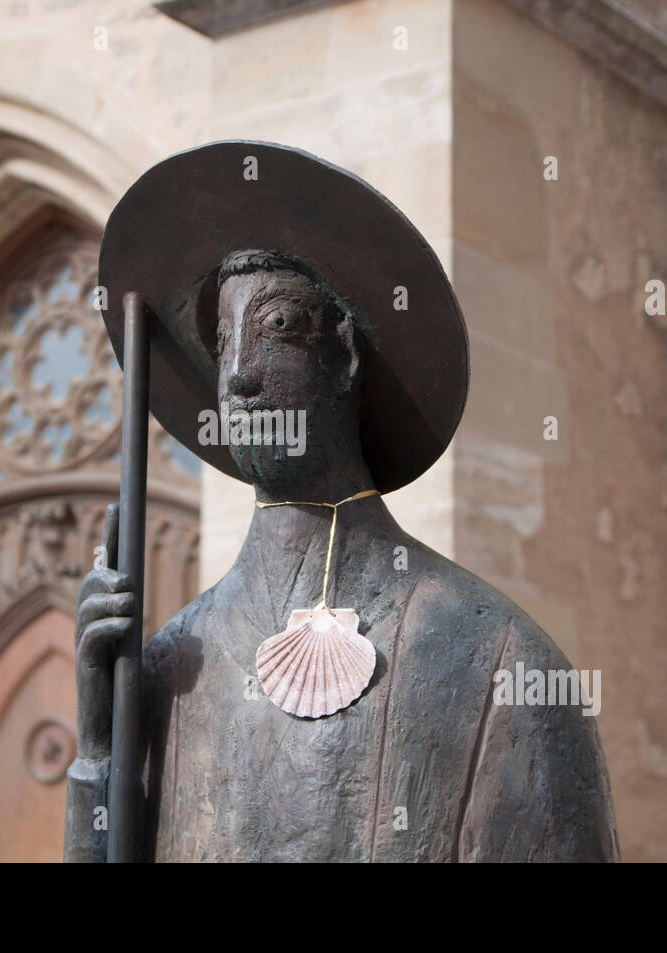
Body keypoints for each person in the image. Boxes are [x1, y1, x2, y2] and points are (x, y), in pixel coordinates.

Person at [65, 142, 619, 862]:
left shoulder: (494, 659)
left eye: (278, 330)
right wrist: (98, 748)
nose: (237, 377)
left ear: (347, 355)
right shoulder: (172, 668)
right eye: (222, 341)